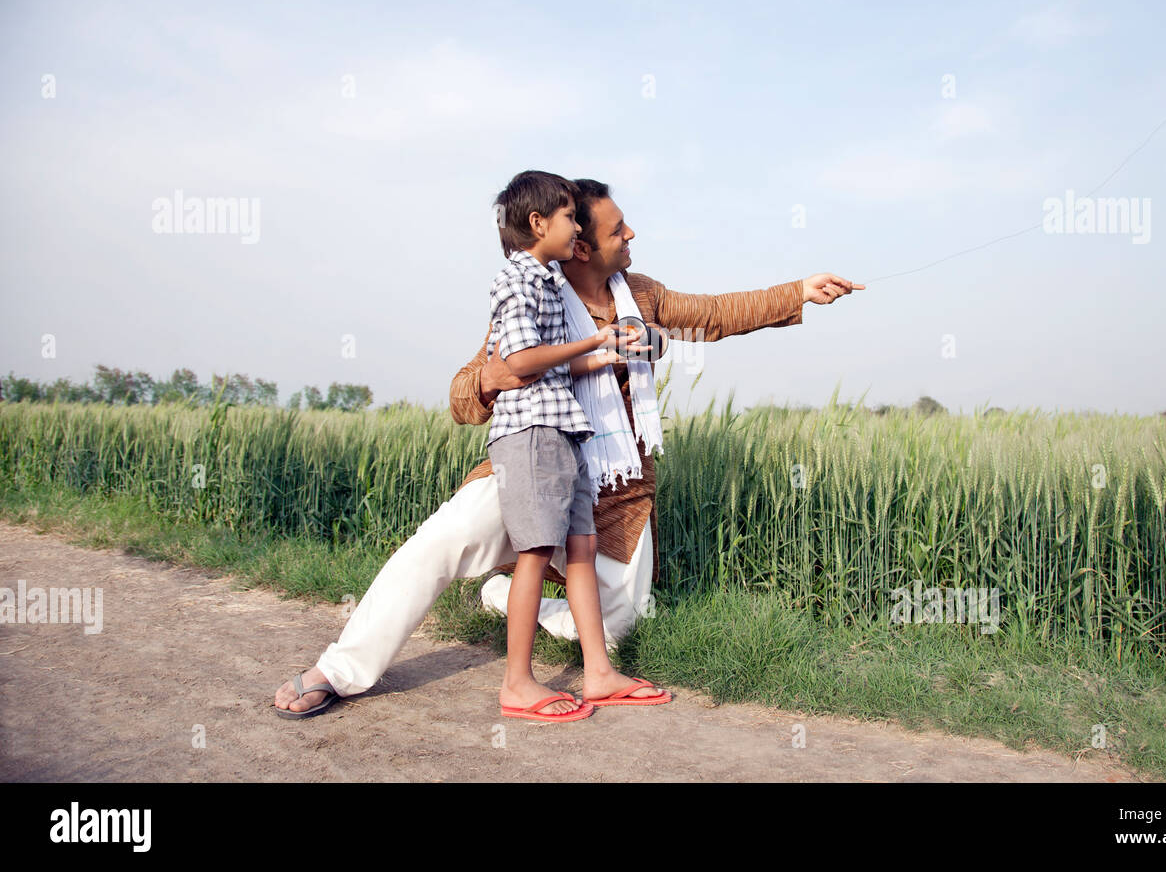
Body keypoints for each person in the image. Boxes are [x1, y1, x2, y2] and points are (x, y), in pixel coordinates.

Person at [273, 177, 864, 719]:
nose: (630, 235)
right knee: (438, 543)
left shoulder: (643, 296)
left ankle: (508, 598)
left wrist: (799, 291)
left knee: (621, 625)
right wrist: (490, 378)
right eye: (615, 230)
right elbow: (461, 395)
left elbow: (713, 315)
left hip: (616, 493)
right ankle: (339, 670)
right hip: (531, 466)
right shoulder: (536, 298)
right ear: (579, 245)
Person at [483, 169, 668, 720]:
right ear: (538, 223)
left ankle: (598, 673)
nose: (576, 230)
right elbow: (518, 363)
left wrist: (607, 353)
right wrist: (590, 338)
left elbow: (559, 368)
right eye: (568, 218)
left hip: (566, 428)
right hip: (533, 434)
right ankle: (517, 683)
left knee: (582, 551)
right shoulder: (515, 282)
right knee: (536, 555)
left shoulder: (547, 281)